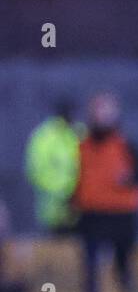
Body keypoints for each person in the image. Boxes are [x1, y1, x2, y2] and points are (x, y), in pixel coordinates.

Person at [73, 92, 138, 292]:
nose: (102, 115)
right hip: (93, 214)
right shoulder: (81, 145)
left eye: (107, 110)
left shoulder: (125, 144)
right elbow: (74, 178)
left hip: (122, 215)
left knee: (124, 266)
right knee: (91, 266)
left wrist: (128, 180)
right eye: (98, 110)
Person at [24, 100, 82, 235]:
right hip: (55, 211)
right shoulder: (45, 136)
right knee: (57, 249)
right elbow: (36, 171)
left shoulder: (80, 132)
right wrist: (64, 192)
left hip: (84, 209)